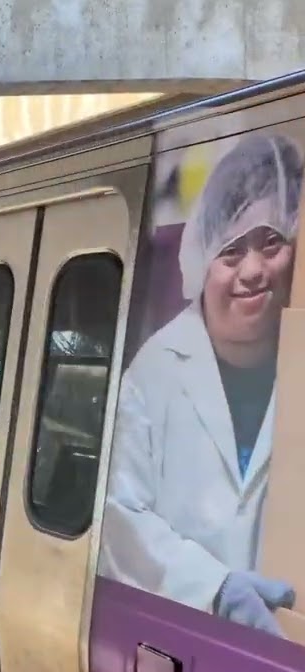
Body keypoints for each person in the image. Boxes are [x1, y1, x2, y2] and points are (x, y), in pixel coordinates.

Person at [99, 132, 302, 636]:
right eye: (232, 251)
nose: (254, 270)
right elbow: (118, 518)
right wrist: (216, 586)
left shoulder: (297, 364)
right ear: (202, 261)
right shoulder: (156, 372)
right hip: (180, 642)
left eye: (271, 242)